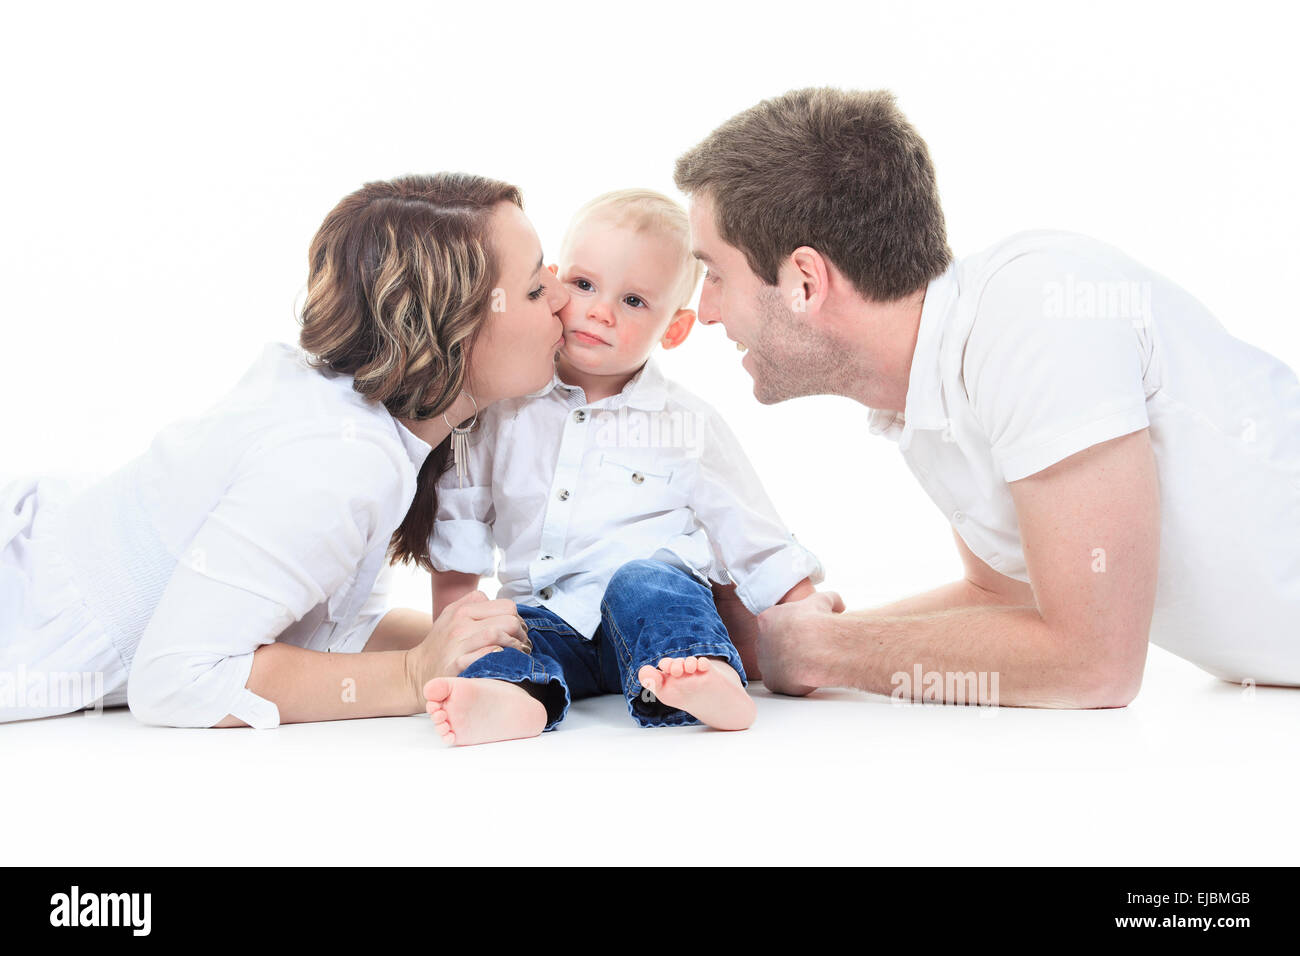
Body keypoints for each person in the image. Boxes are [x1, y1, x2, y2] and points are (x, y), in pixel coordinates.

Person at [672, 87, 1300, 706]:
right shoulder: (930, 382)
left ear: (804, 282)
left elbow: (1094, 662)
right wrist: (786, 641)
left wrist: (827, 651)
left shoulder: (1033, 313)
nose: (704, 311)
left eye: (716, 274)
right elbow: (1007, 599)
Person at [0, 173, 567, 727]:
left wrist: (525, 647)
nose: (563, 298)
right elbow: (178, 681)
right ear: (451, 329)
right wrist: (410, 676)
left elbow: (324, 628)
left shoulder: (364, 424)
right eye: (536, 288)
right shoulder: (337, 461)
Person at [421, 189, 824, 745]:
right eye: (585, 285)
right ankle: (513, 698)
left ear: (675, 328)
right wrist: (454, 625)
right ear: (556, 282)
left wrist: (810, 628)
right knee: (504, 630)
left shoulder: (685, 422)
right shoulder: (505, 405)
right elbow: (461, 509)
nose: (600, 311)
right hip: (547, 615)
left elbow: (752, 532)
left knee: (652, 582)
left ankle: (701, 675)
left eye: (634, 301)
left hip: (647, 621)